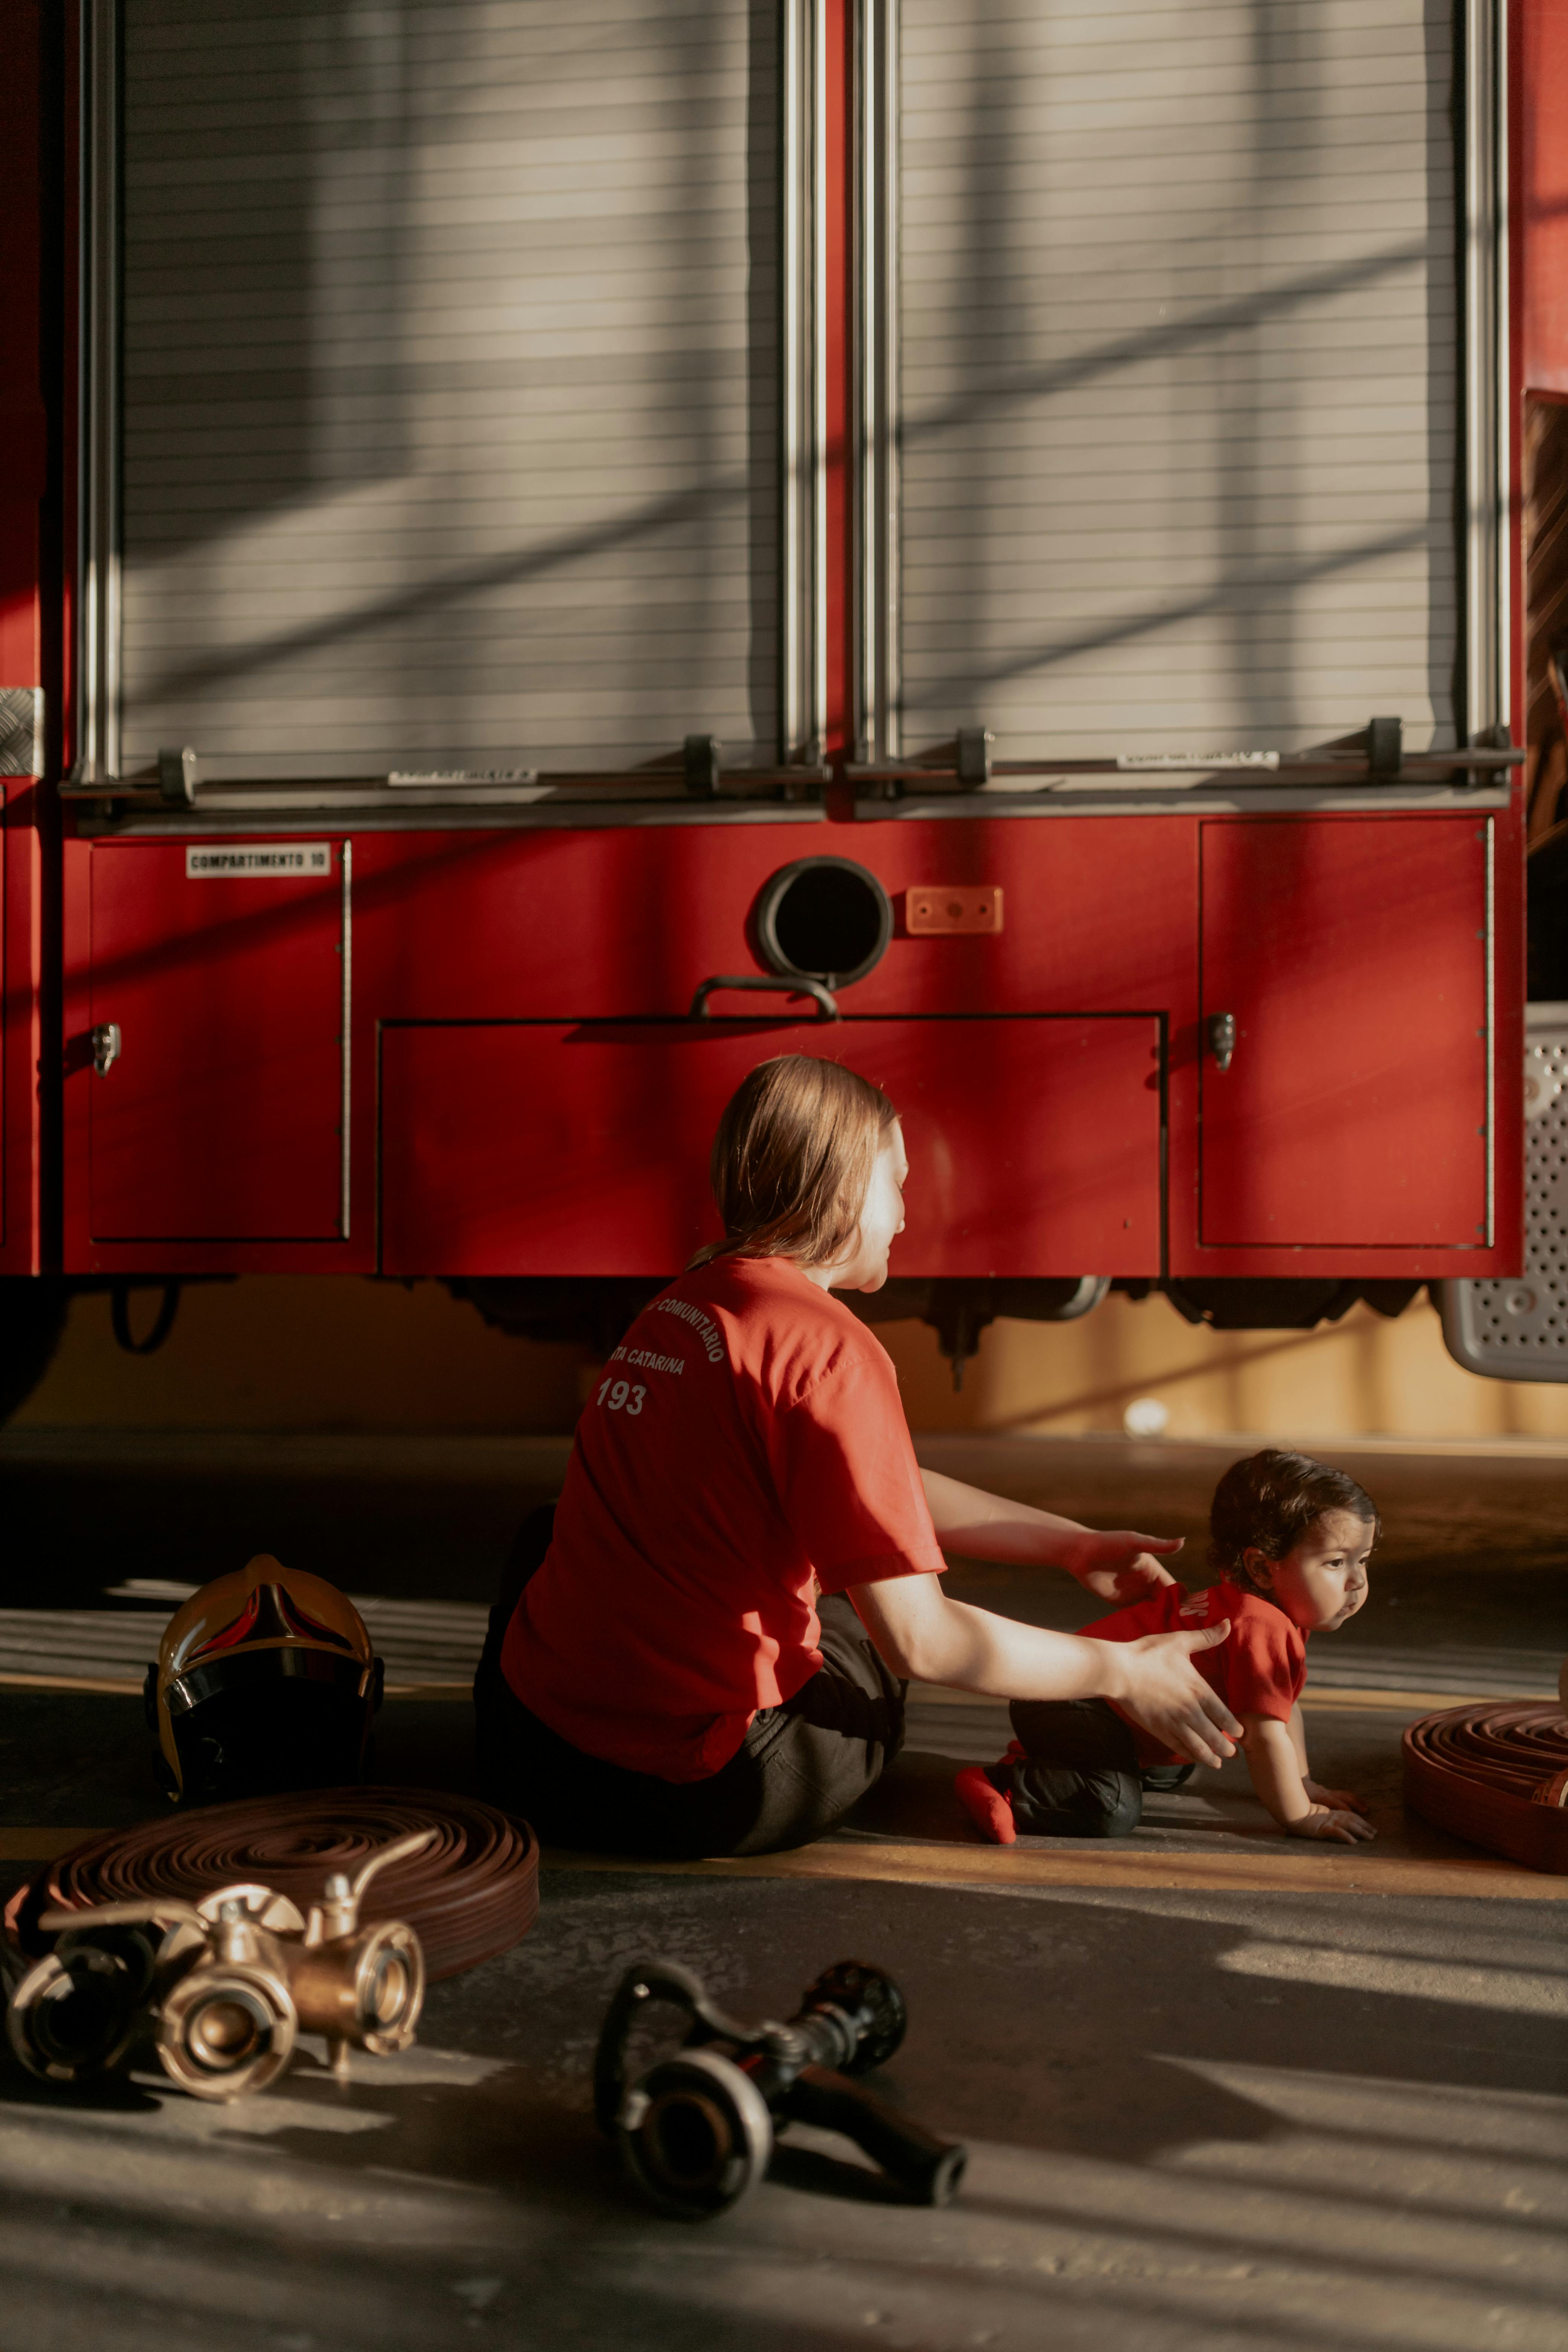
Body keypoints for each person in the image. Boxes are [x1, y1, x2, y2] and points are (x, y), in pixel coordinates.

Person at [473, 1054, 1242, 1858]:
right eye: (896, 1184)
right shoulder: (832, 1349)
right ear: (842, 1190)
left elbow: (870, 1486)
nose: (906, 1215)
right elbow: (926, 1641)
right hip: (694, 1789)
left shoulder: (682, 1301)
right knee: (866, 1630)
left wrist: (1069, 1543)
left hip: (533, 1756)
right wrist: (1121, 1671)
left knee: (548, 1531)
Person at [956, 1449, 1378, 1846]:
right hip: (1069, 1697)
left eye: (1363, 1560)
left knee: (1178, 1762)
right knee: (1109, 1808)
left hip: (1084, 1698)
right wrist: (1301, 1814)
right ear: (1260, 1567)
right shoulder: (1260, 1624)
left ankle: (1061, 1763)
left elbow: (1283, 1709)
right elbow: (1264, 1739)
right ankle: (1004, 1782)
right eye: (1335, 1562)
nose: (1356, 1581)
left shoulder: (1261, 1611)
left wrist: (1302, 1782)